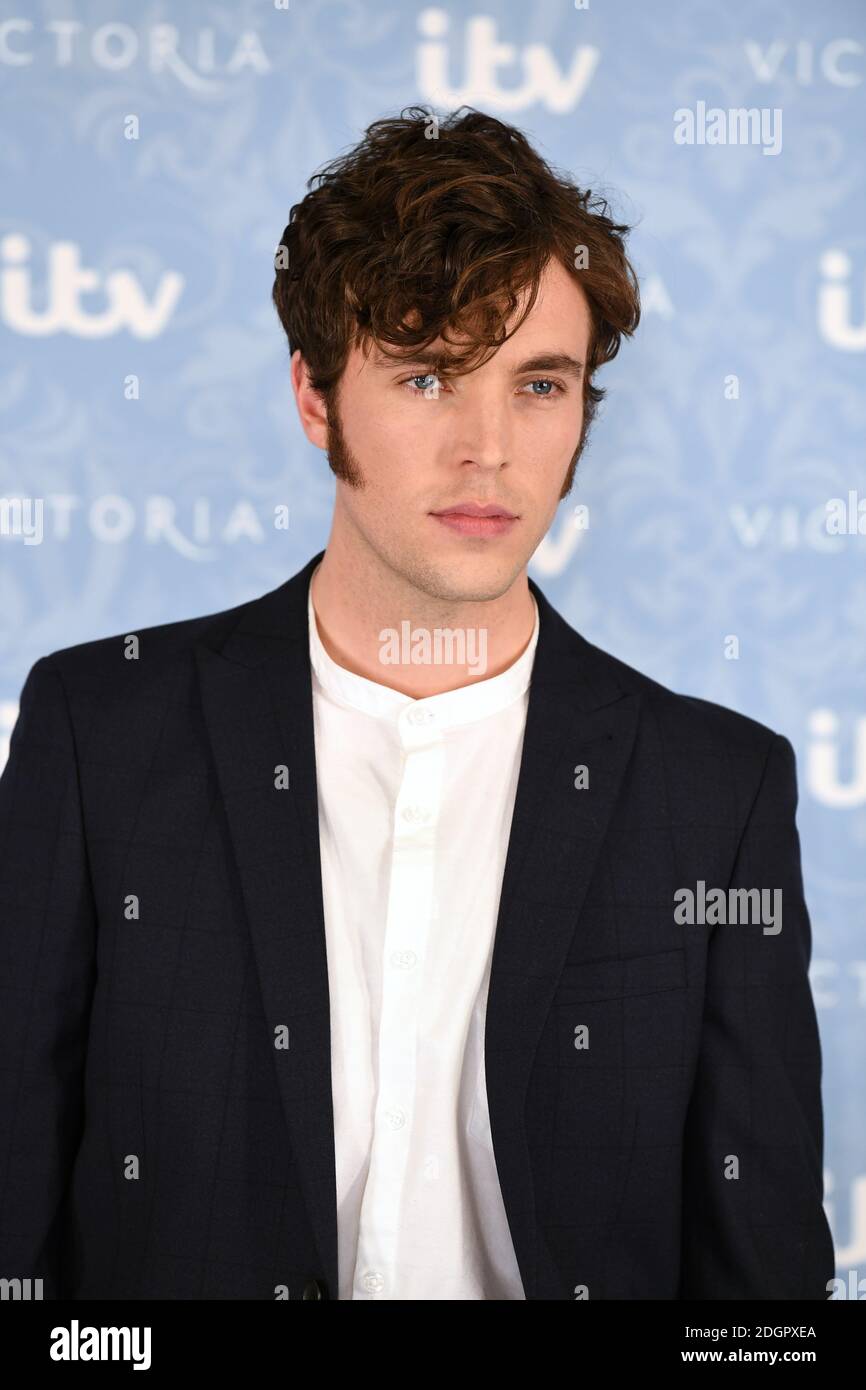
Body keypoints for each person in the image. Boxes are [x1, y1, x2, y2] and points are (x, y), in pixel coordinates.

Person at [0, 106, 833, 1300]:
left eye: (537, 383)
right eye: (428, 374)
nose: (486, 447)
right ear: (313, 397)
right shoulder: (100, 734)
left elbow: (762, 1300)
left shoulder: (714, 789)